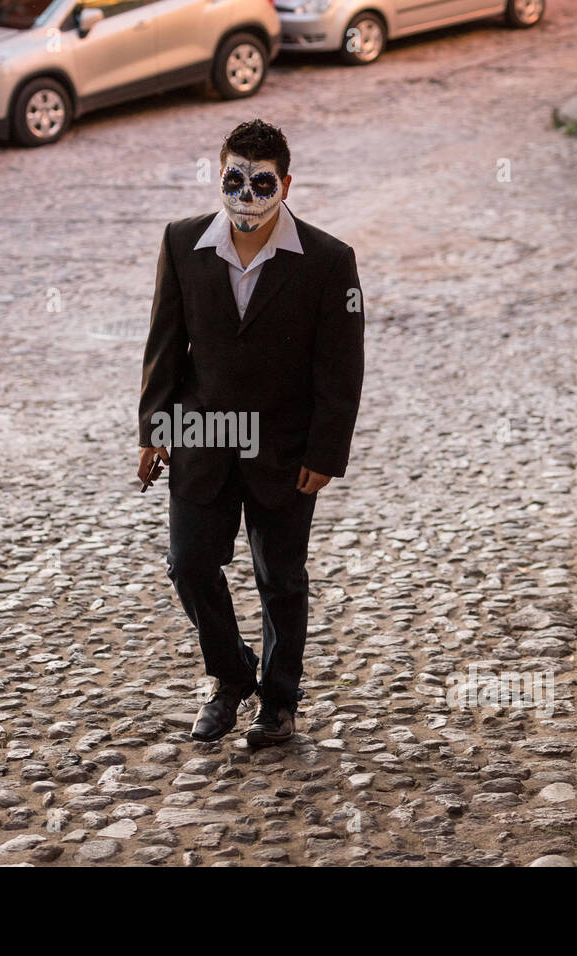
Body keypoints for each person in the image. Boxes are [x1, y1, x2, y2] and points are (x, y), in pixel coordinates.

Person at [137, 118, 365, 747]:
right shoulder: (183, 244)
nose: (245, 193)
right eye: (233, 178)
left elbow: (341, 367)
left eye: (260, 181)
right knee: (188, 565)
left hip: (285, 451)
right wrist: (154, 429)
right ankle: (231, 675)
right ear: (220, 176)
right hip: (201, 437)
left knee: (280, 578)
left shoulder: (328, 261)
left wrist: (327, 451)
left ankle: (280, 703)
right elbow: (164, 346)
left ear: (285, 184)